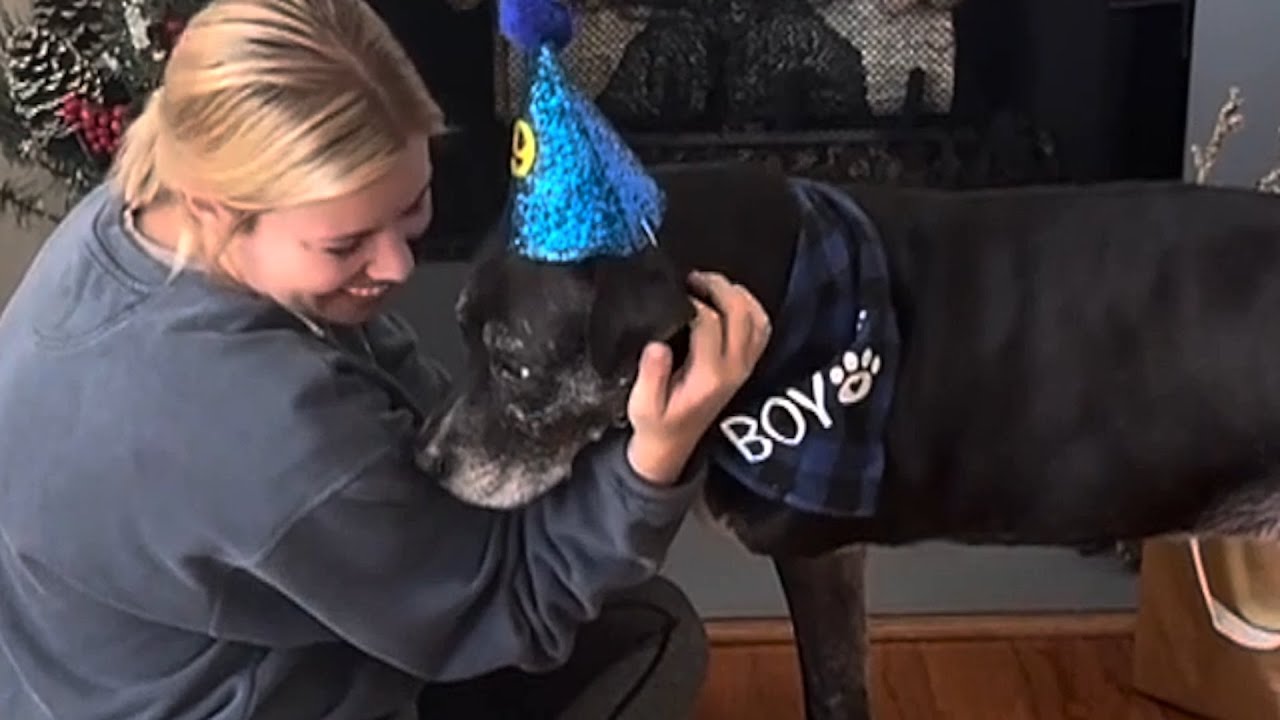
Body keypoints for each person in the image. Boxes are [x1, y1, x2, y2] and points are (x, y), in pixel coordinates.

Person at [0, 1, 771, 718]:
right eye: (345, 244)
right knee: (652, 636)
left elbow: (389, 394)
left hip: (77, 684)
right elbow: (523, 607)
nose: (400, 267)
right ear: (217, 205)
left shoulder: (138, 209)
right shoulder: (263, 430)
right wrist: (654, 459)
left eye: (412, 210)